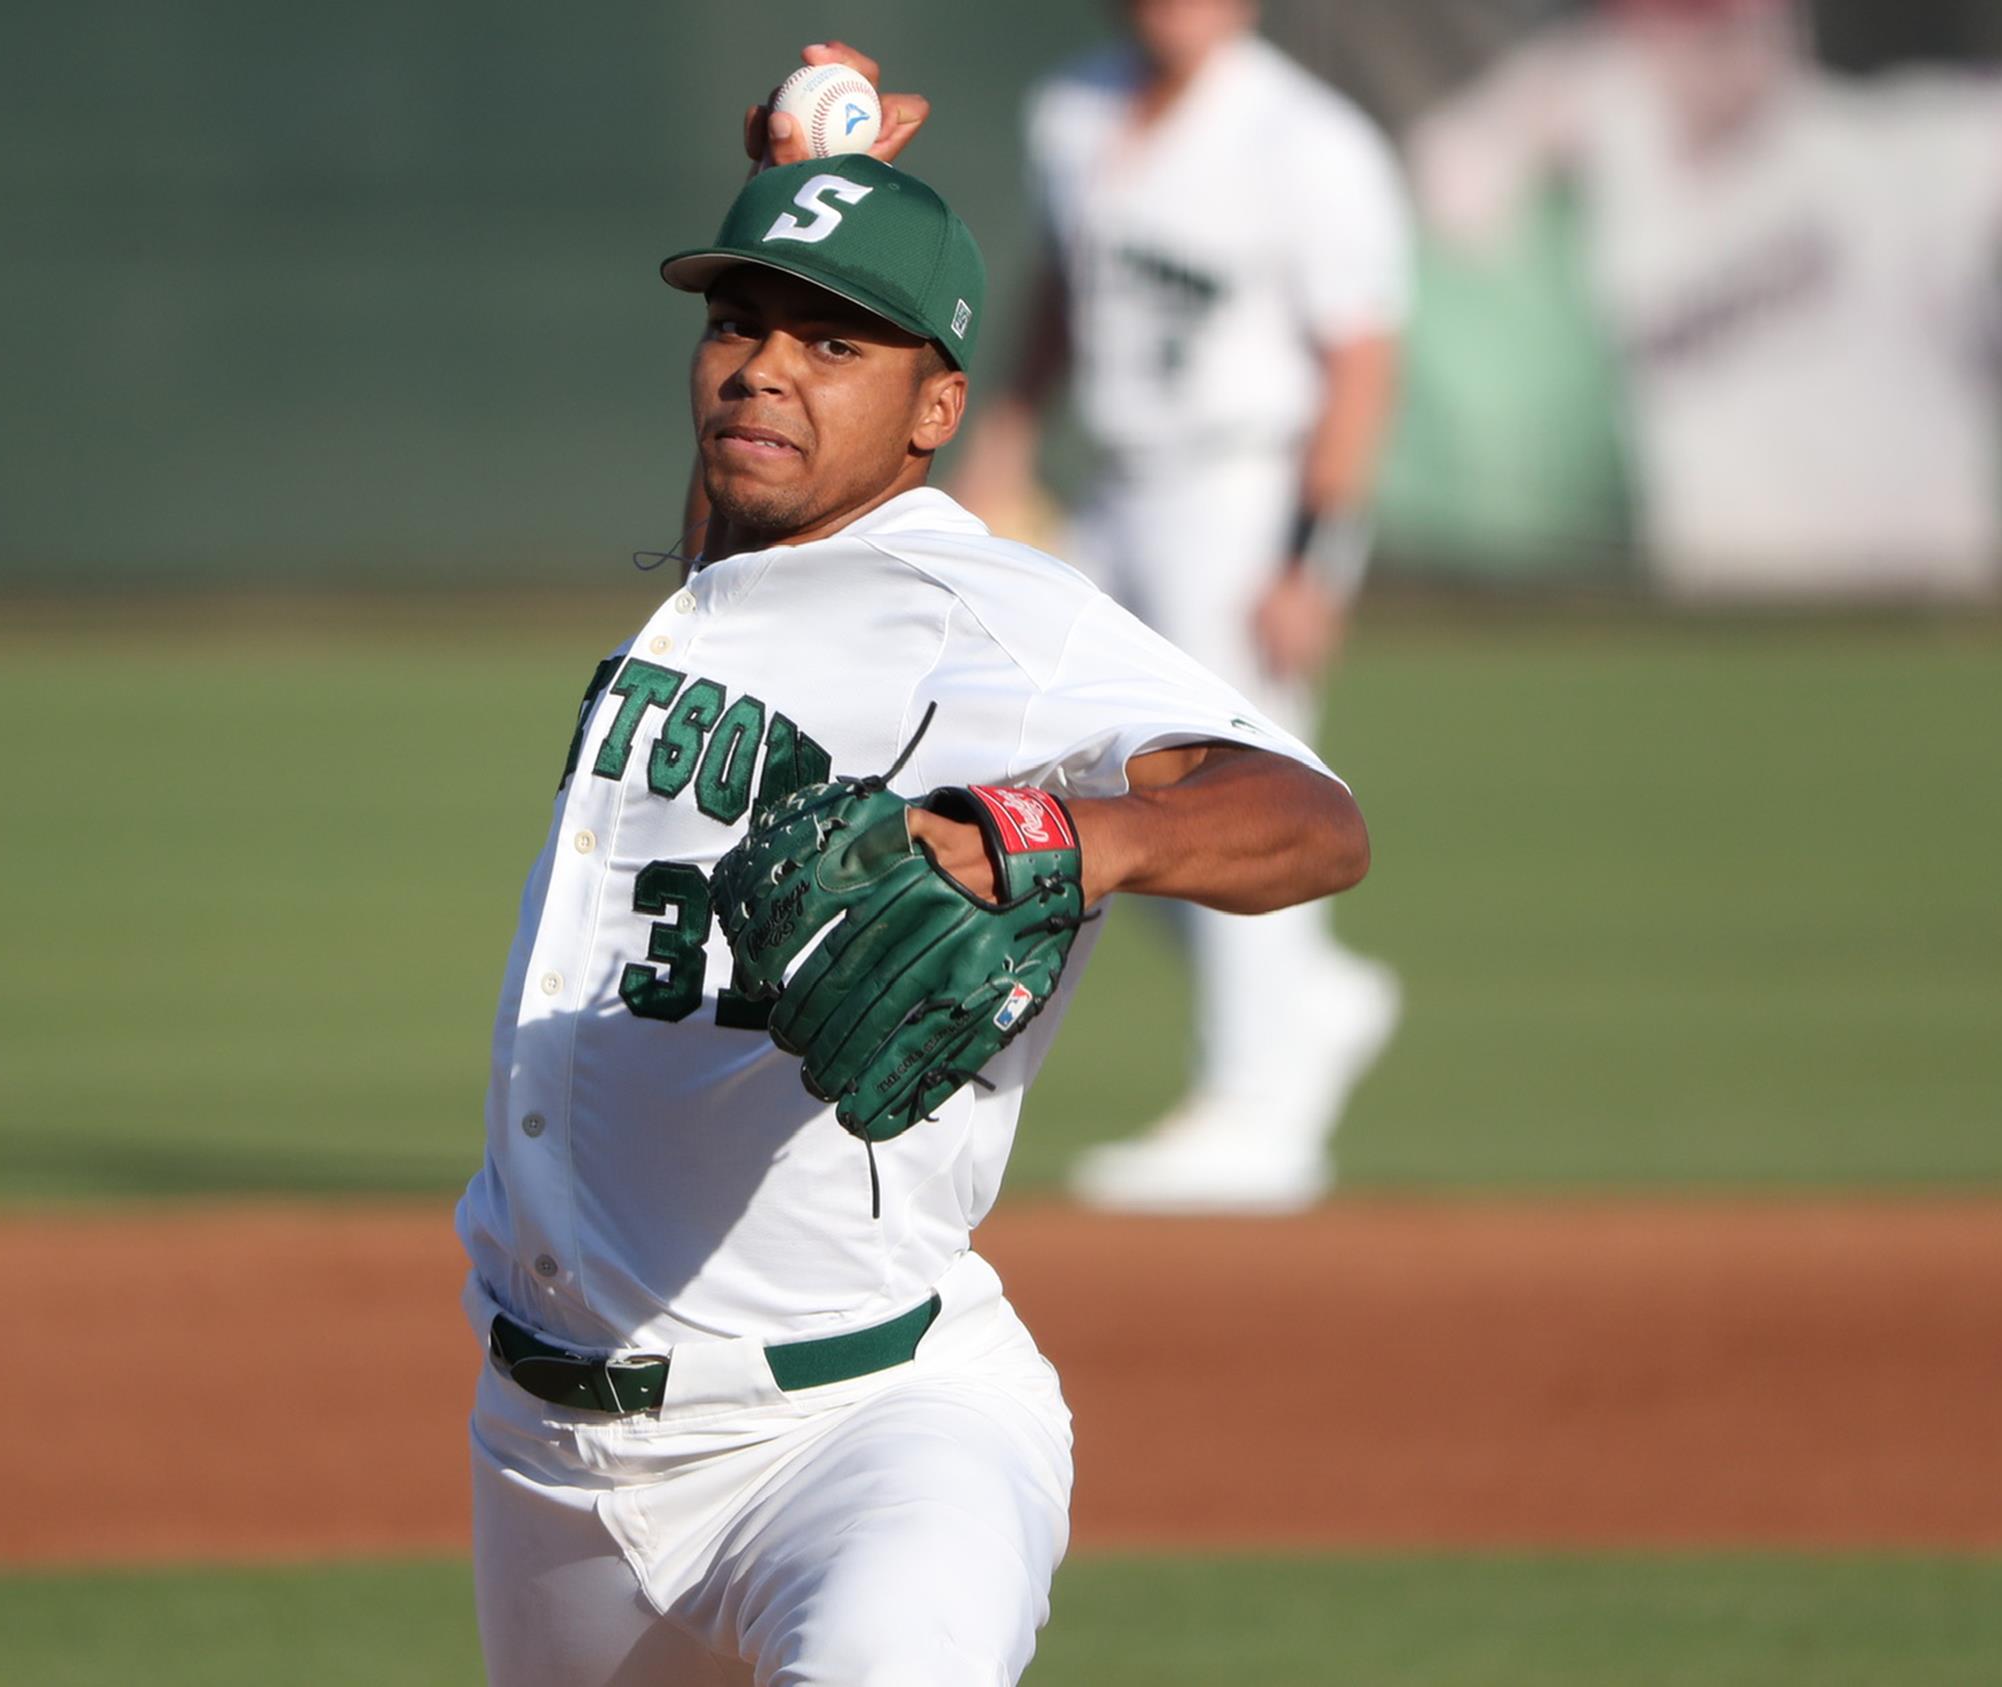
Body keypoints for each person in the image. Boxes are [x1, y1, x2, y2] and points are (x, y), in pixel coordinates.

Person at [460, 43, 1372, 1686]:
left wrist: (1061, 839)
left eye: (834, 341)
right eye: (739, 324)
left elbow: (1312, 820)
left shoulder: (992, 611)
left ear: (938, 410)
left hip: (864, 1431)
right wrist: (797, 196)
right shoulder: (726, 582)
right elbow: (752, 556)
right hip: (551, 1459)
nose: (763, 369)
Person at [952, 0, 1414, 1214]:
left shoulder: (1309, 141)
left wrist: (1308, 555)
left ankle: (1260, 1112)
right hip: (1121, 483)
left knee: (1235, 780)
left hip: (1248, 488)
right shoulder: (1075, 109)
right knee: (1060, 758)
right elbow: (1065, 290)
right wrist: (1004, 439)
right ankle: (1309, 993)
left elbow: (1364, 360)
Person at [1408, 0, 2002, 600]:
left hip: (1930, 608)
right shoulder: (1634, 166)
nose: (1721, 49)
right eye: (1685, 29)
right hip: (1728, 623)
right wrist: (1516, 141)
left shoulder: (1901, 149)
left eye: (1735, 26)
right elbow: (1458, 169)